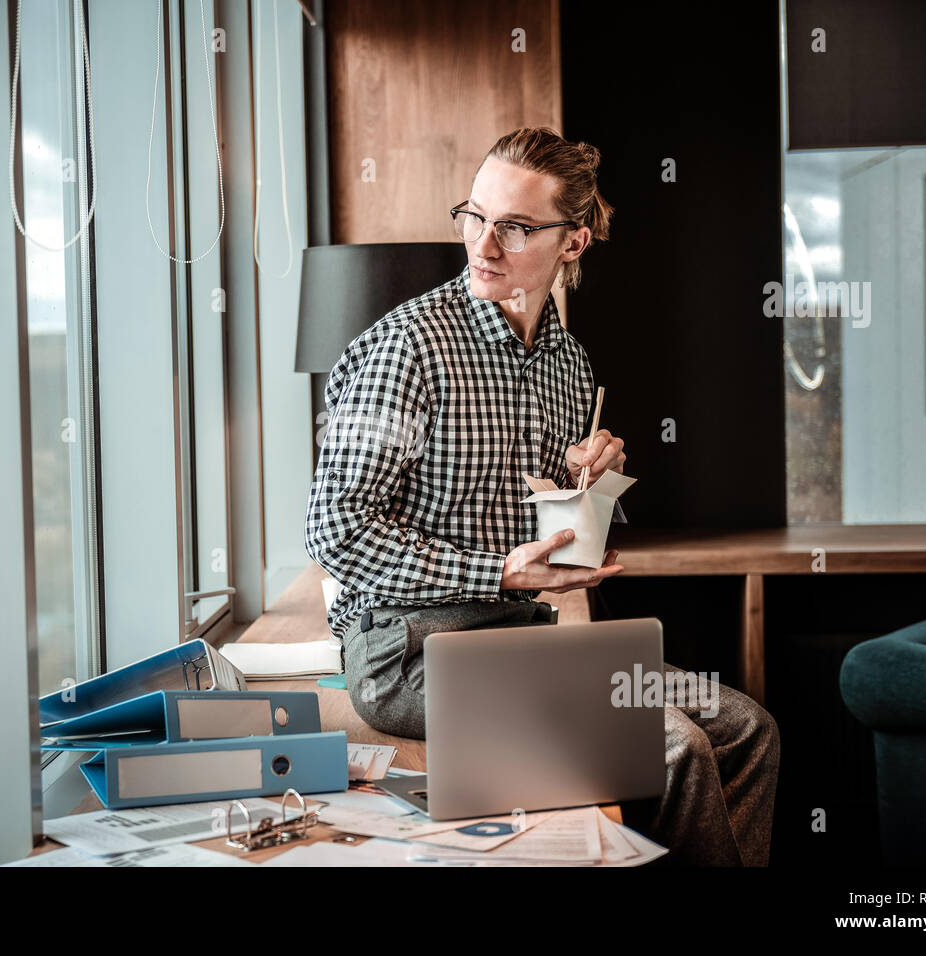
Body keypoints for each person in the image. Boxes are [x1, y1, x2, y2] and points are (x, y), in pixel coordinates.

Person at [304, 127, 779, 865]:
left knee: (747, 727)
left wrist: (599, 483)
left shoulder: (568, 364)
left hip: (521, 637)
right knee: (676, 746)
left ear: (574, 244)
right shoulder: (408, 349)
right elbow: (336, 531)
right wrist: (497, 571)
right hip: (408, 656)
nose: (483, 245)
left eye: (516, 228)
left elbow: (554, 530)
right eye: (475, 215)